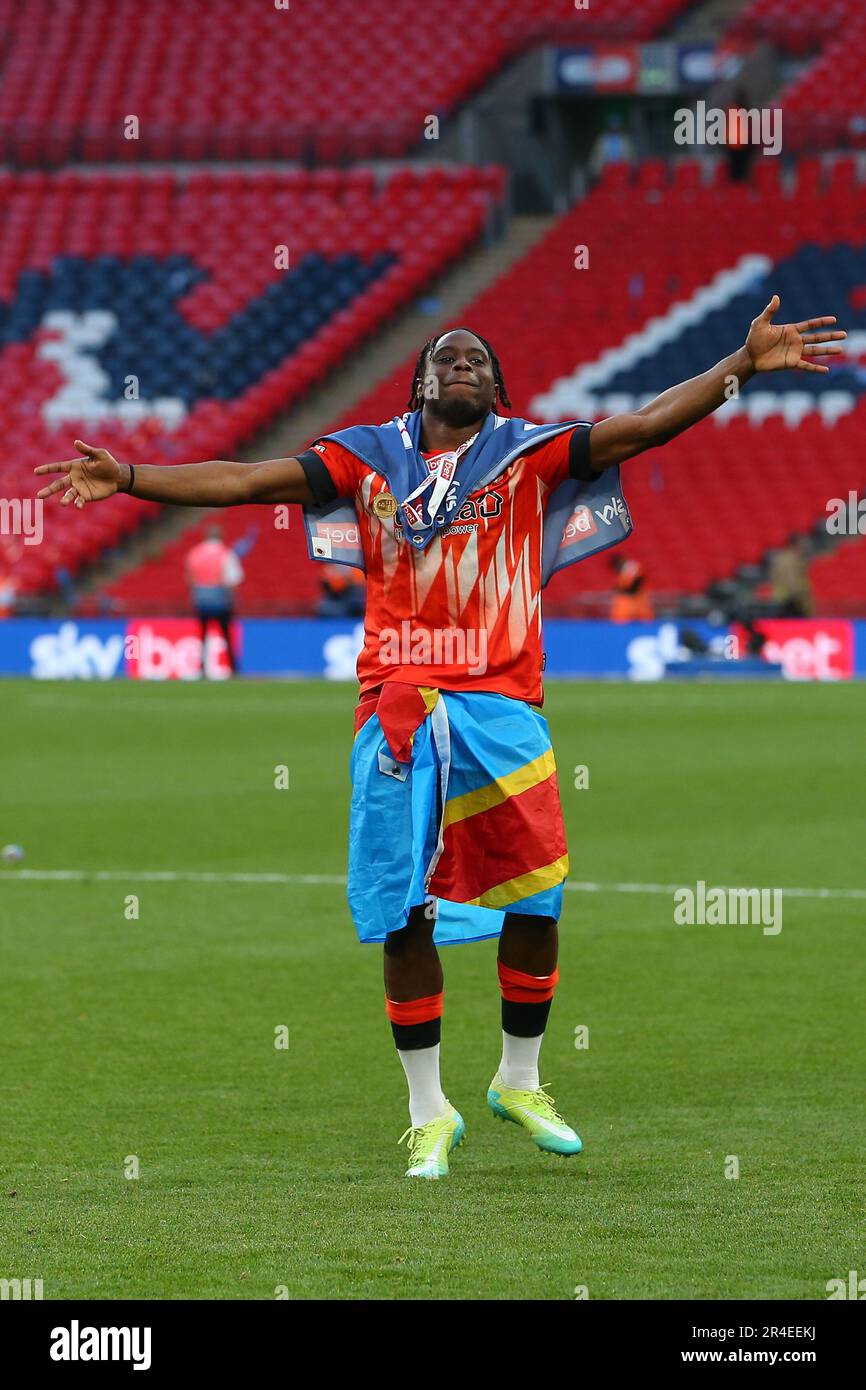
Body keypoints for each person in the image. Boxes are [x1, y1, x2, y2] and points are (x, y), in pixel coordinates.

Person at [35, 299, 844, 1178]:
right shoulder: (364, 457)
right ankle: (428, 1113)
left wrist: (742, 365)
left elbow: (646, 425)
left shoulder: (530, 452)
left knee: (539, 897)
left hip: (503, 704)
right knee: (403, 908)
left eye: (477, 360)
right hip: (399, 703)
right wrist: (133, 475)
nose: (461, 364)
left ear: (496, 387)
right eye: (445, 357)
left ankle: (518, 1079)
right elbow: (244, 480)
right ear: (419, 379)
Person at [184, 524, 244, 676]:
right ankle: (233, 669)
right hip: (221, 601)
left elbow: (190, 578)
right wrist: (232, 600)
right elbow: (232, 580)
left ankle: (202, 668)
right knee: (226, 636)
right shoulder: (226, 554)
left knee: (203, 635)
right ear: (221, 536)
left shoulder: (195, 553)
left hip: (201, 600)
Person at [769, 535, 814, 618]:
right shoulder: (792, 560)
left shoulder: (781, 558)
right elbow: (793, 583)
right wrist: (803, 600)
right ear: (795, 545)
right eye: (801, 545)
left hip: (782, 598)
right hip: (792, 601)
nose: (804, 548)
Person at [609, 553, 654, 622]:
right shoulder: (625, 571)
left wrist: (621, 590)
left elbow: (636, 584)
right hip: (630, 602)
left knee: (643, 623)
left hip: (635, 601)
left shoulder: (632, 567)